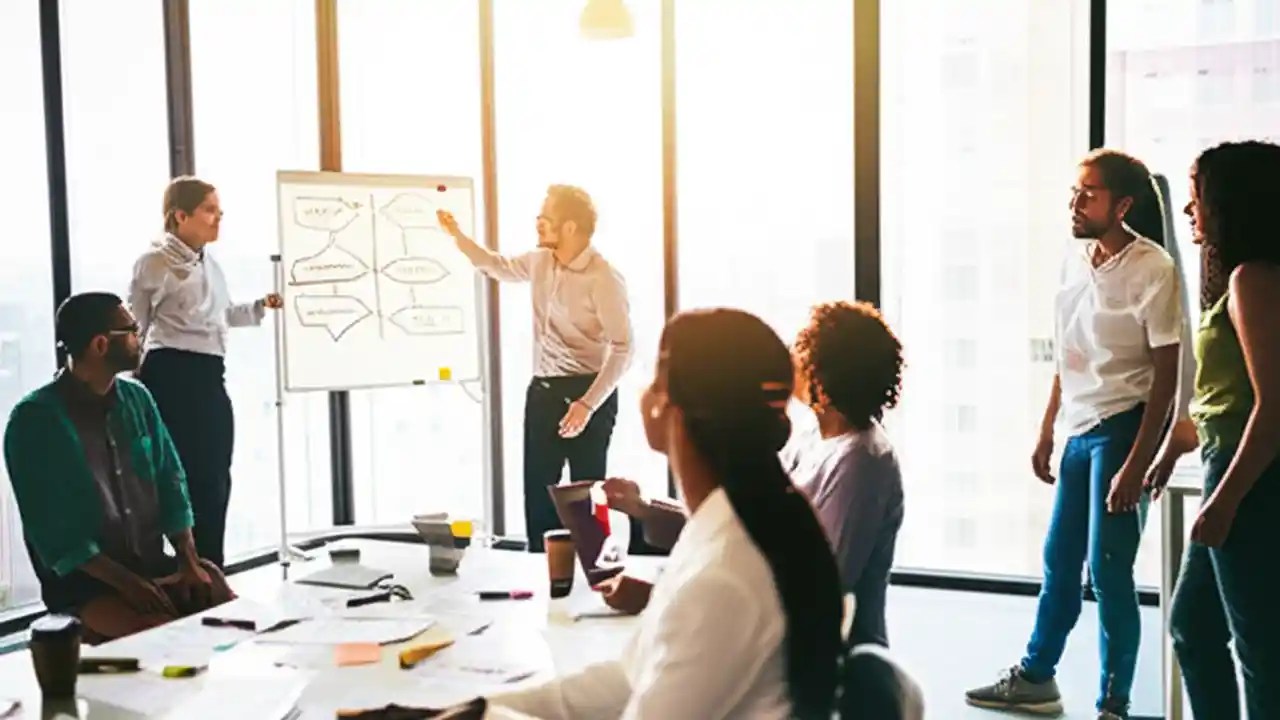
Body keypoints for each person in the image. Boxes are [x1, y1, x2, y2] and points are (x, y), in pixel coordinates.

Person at [478, 308, 845, 719]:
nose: (644, 393)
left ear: (672, 408)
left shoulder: (724, 573)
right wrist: (479, 708)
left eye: (655, 379)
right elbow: (629, 680)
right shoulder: (740, 521)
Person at [966, 149, 1183, 719]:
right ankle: (1038, 678)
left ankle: (1114, 704)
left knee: (1108, 569)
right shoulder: (1076, 261)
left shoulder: (1154, 269)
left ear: (1124, 205)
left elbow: (1168, 375)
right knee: (1059, 561)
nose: (1076, 202)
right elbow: (1066, 357)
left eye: (1089, 193)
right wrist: (1046, 432)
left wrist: (1139, 463)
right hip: (1079, 431)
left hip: (1123, 428)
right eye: (1075, 191)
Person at [597, 301, 906, 650]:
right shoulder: (813, 440)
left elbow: (820, 591)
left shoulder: (862, 461)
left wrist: (662, 597)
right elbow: (742, 526)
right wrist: (644, 508)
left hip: (826, 663)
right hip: (774, 643)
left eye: (801, 352)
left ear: (825, 373)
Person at [3, 293, 233, 643]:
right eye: (131, 330)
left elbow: (171, 479)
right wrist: (129, 585)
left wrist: (188, 561)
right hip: (88, 585)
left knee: (220, 597)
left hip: (151, 567)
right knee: (162, 638)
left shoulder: (137, 399)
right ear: (100, 344)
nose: (139, 337)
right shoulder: (35, 419)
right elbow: (54, 534)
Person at [437, 185, 633, 552]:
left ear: (570, 228)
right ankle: (542, 575)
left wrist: (587, 404)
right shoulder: (540, 261)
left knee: (585, 498)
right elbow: (496, 265)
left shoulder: (603, 277)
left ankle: (594, 581)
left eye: (545, 219)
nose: (538, 225)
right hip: (543, 391)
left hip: (590, 392)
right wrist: (457, 235)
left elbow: (624, 349)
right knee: (538, 491)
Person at [1157, 140, 1280, 719]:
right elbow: (1221, 402)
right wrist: (1173, 448)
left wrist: (1226, 499)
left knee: (1259, 645)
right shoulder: (1244, 277)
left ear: (1230, 203)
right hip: (1226, 461)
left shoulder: (1253, 280)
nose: (1189, 212)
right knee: (1193, 627)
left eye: (1197, 197)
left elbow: (1274, 406)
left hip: (1248, 475)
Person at [128, 176, 282, 568]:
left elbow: (222, 316)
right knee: (179, 476)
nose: (218, 220)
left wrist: (260, 306)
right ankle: (183, 568)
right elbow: (136, 326)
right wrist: (132, 387)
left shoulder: (209, 263)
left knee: (215, 475)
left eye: (220, 212)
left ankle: (211, 566)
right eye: (209, 211)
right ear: (180, 216)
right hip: (170, 373)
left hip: (209, 372)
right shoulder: (154, 262)